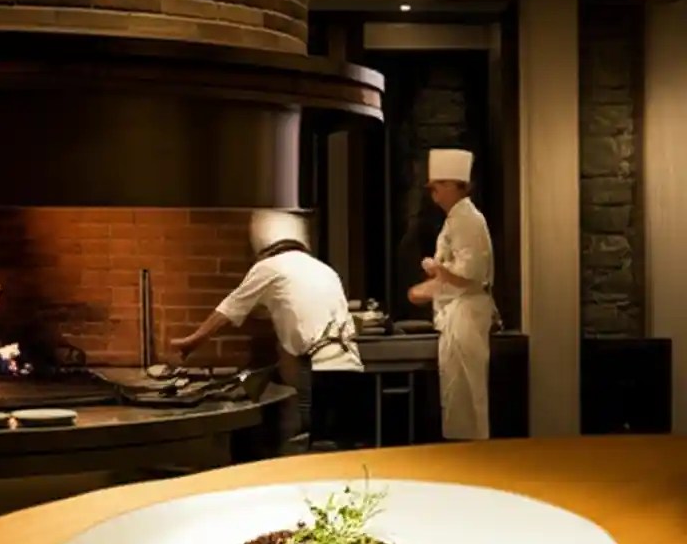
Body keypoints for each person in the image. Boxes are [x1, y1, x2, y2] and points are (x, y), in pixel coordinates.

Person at [170, 209, 363, 450]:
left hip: (320, 372)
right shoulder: (324, 270)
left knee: (319, 449)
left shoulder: (268, 268)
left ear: (264, 249)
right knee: (343, 450)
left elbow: (227, 310)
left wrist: (191, 342)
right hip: (352, 369)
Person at [407, 148, 497, 440]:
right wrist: (427, 288)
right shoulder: (454, 220)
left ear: (455, 186)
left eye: (439, 185)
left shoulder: (467, 220)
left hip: (466, 315)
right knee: (456, 393)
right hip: (456, 313)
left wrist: (437, 270)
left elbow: (468, 274)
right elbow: (453, 278)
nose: (433, 191)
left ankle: (471, 453)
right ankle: (462, 448)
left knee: (467, 391)